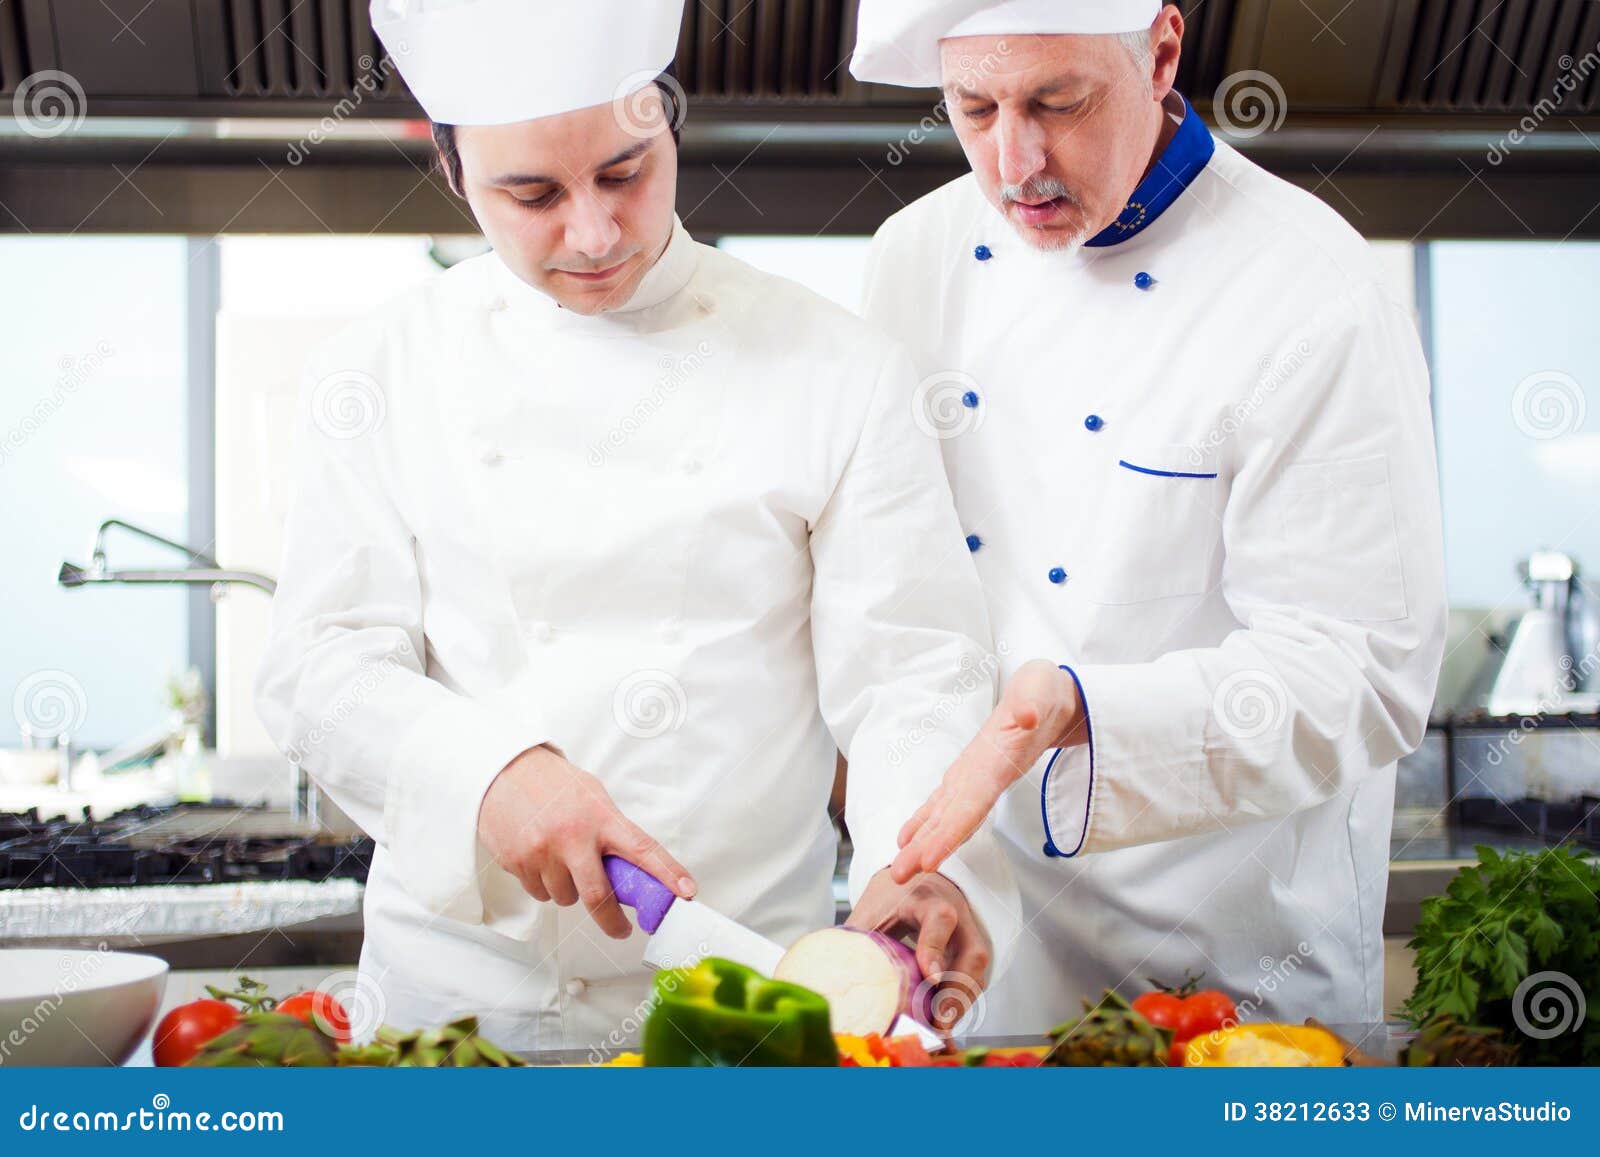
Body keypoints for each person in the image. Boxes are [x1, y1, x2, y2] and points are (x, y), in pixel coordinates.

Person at [256, 0, 1016, 1050]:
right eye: (532, 193)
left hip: (741, 995)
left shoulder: (834, 365)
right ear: (450, 171)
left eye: (624, 171)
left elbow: (909, 674)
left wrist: (918, 859)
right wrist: (492, 773)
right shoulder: (378, 371)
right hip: (458, 1007)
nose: (596, 232)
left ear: (668, 121)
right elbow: (319, 668)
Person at [851, 0, 1446, 1029]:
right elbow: (900, 617)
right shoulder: (915, 259)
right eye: (973, 106)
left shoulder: (1314, 291)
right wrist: (908, 853)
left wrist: (1087, 712)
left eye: (1057, 101)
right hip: (981, 956)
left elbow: (1363, 671)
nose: (1013, 162)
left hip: (1235, 964)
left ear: (1161, 51)